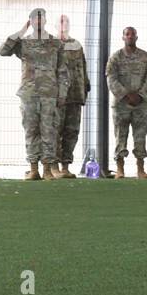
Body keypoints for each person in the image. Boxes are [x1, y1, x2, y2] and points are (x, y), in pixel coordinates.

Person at [0, 8, 68, 181]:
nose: (39, 21)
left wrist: (62, 93)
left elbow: (62, 71)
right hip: (29, 93)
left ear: (45, 20)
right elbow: (3, 50)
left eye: (41, 18)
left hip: (49, 94)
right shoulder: (23, 43)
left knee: (49, 131)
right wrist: (22, 31)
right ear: (30, 21)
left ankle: (47, 169)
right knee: (31, 131)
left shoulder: (55, 43)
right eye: (35, 18)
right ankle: (33, 168)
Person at [106, 26, 147, 178]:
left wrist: (140, 96)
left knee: (140, 136)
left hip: (141, 104)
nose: (130, 36)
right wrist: (126, 95)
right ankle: (120, 169)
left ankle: (140, 169)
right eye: (127, 34)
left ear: (136, 37)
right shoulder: (115, 58)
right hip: (121, 104)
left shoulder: (145, 57)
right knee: (120, 136)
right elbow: (111, 79)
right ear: (123, 37)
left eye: (133, 34)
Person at [54, 14, 90, 178]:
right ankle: (53, 165)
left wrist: (85, 88)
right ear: (55, 25)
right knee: (55, 131)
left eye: (67, 21)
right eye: (61, 21)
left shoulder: (76, 45)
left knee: (72, 131)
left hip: (75, 95)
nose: (64, 24)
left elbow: (82, 66)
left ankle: (66, 166)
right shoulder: (52, 44)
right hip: (58, 97)